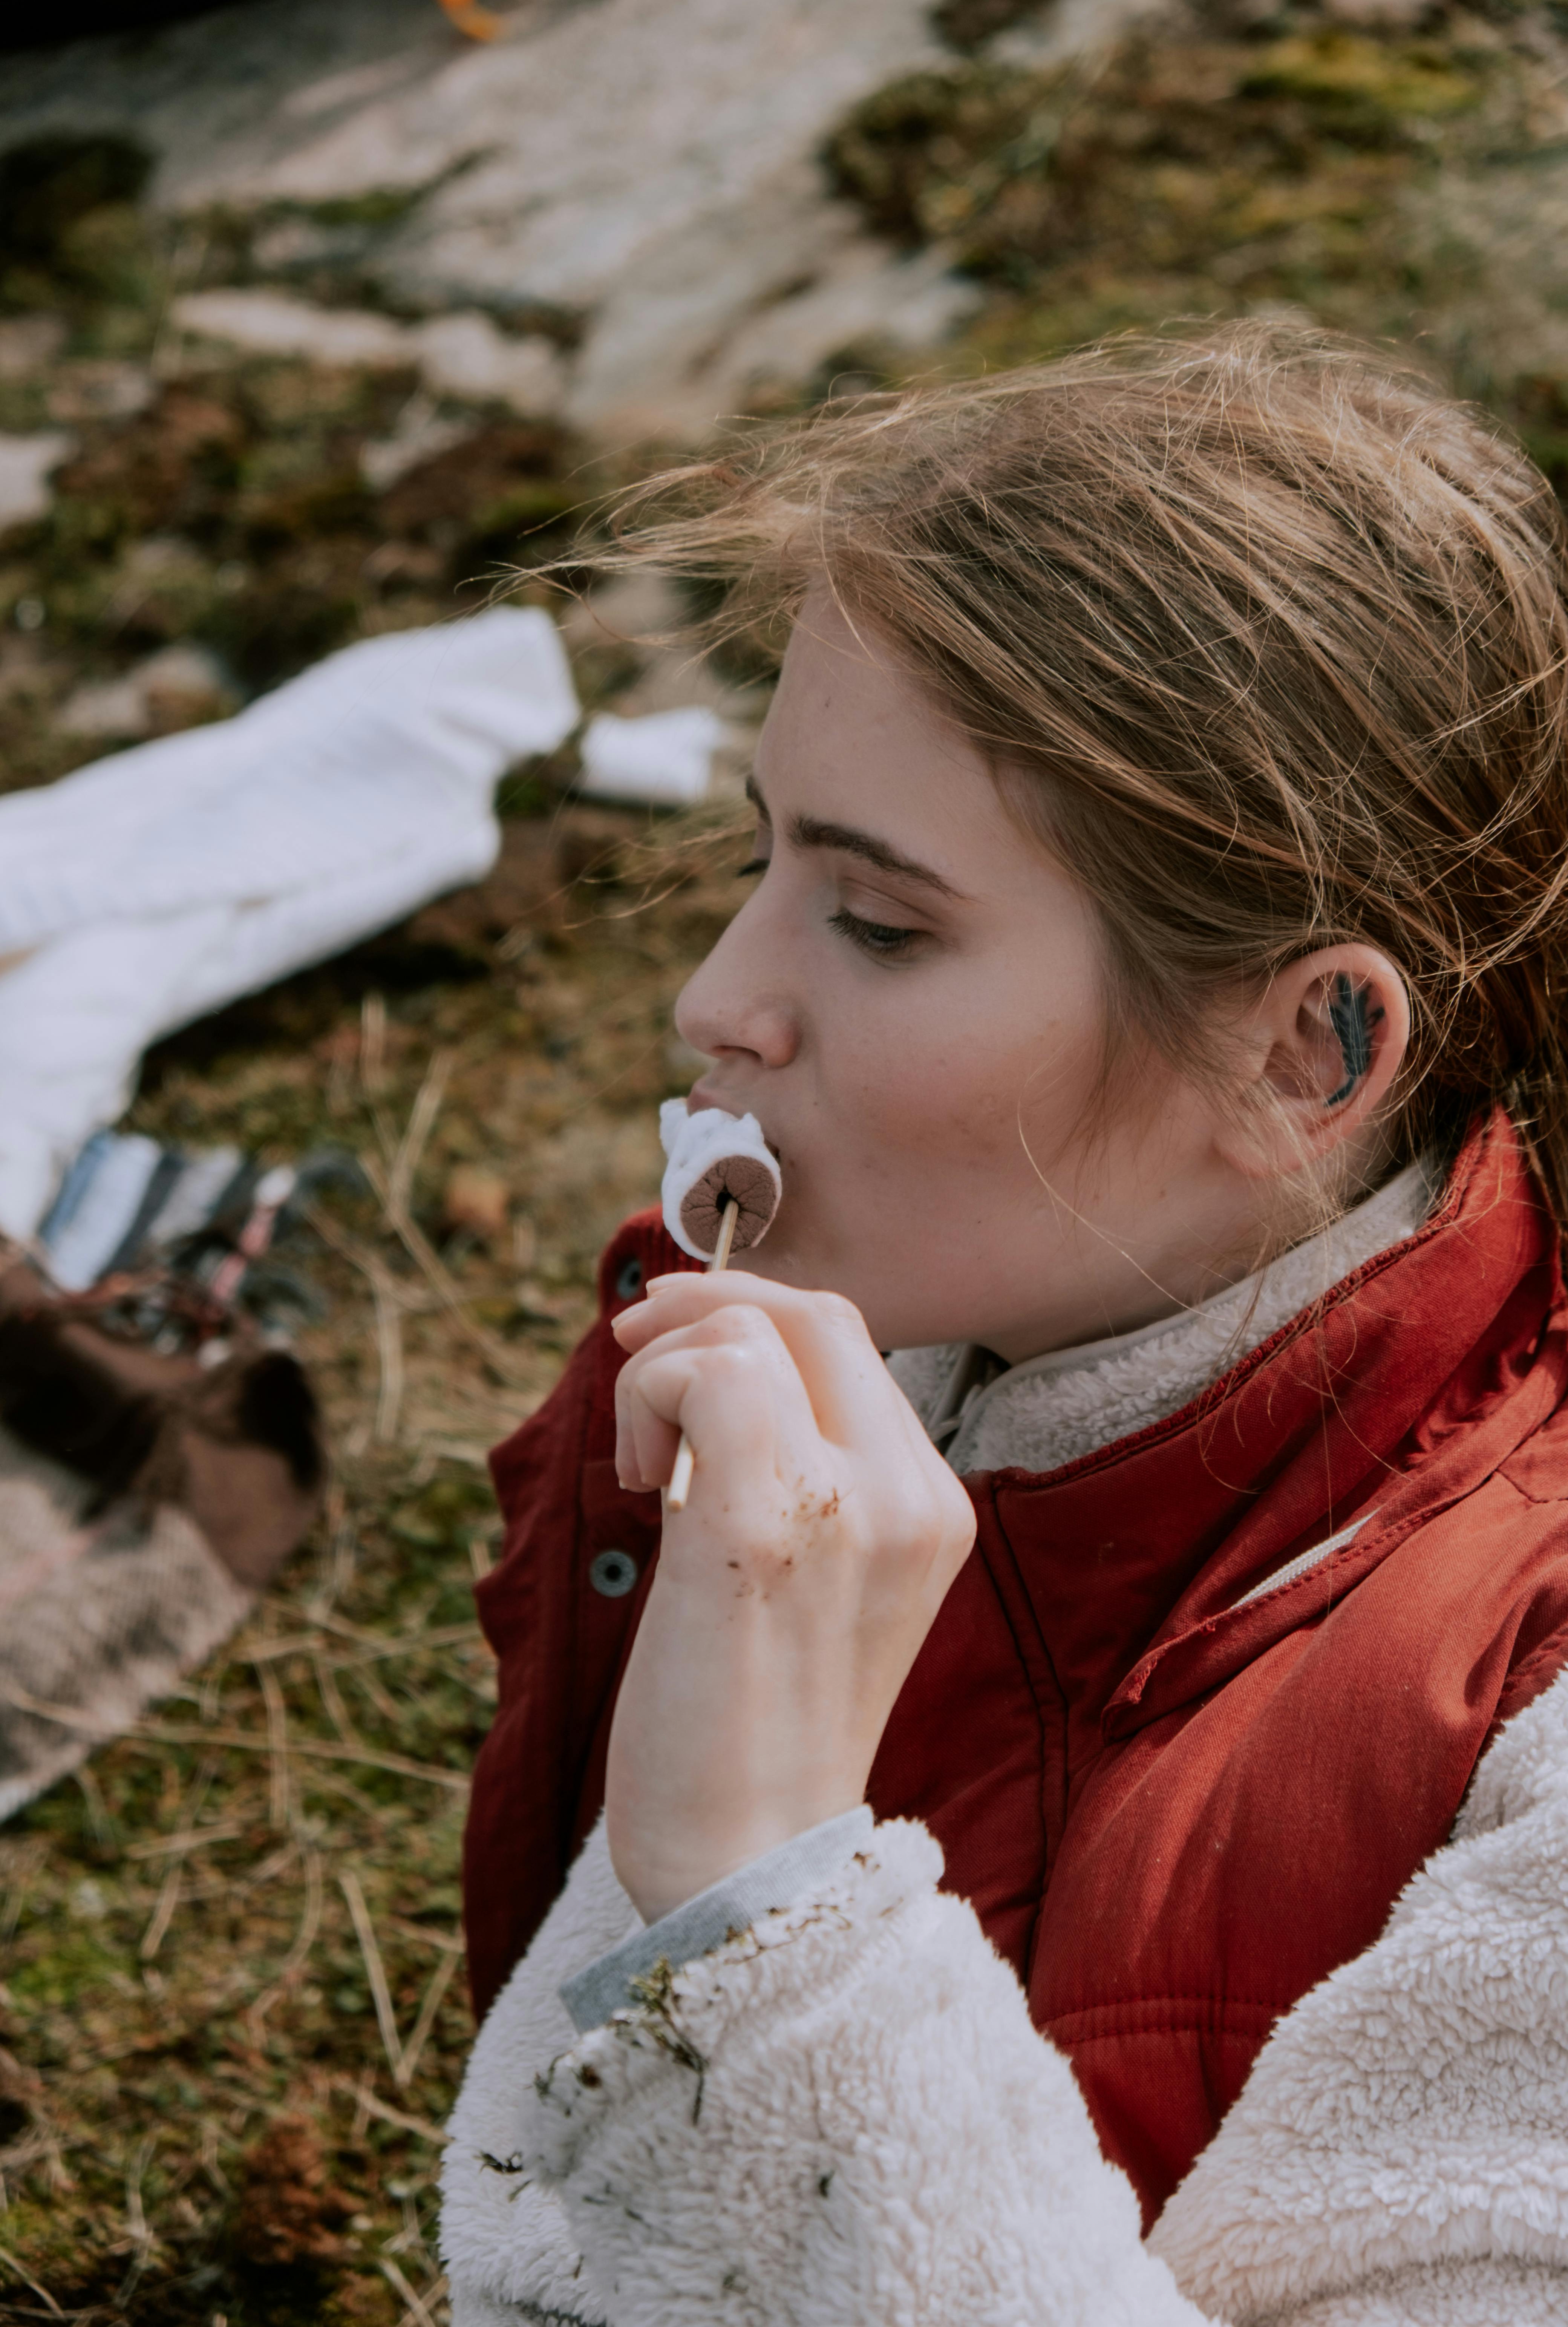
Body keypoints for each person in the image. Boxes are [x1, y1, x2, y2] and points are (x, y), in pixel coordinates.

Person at [440, 324, 1568, 2325]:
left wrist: (766, 1912)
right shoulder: (815, 1359)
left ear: (1314, 1054)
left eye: (881, 924)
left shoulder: (1527, 1731)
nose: (719, 997)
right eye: (758, 851)